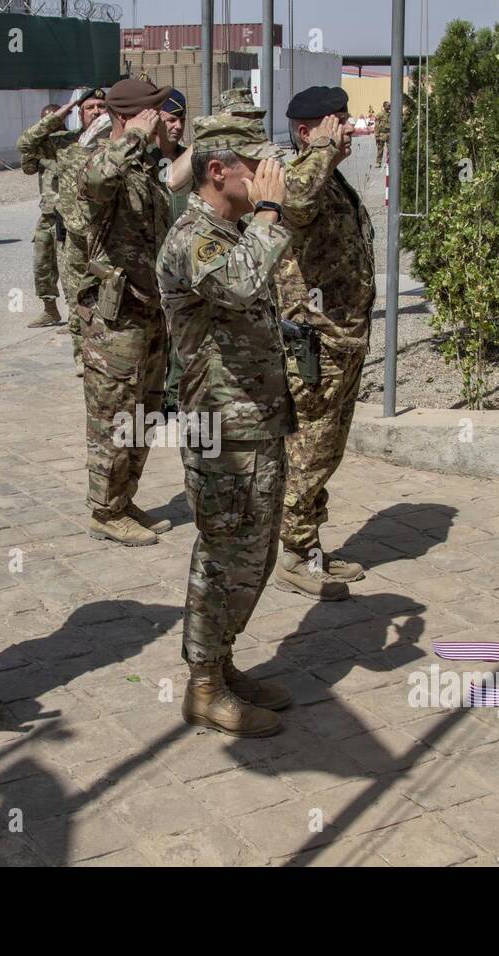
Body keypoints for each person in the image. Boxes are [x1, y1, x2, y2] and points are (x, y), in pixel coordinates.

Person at [157, 114, 296, 737]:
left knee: (257, 552)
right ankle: (203, 685)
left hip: (255, 420)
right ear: (219, 172)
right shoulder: (195, 237)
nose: (272, 177)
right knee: (223, 555)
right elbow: (239, 285)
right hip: (222, 428)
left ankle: (222, 660)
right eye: (257, 166)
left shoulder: (231, 232)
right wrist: (268, 214)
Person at [275, 85, 376, 601]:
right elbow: (294, 202)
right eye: (334, 122)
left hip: (343, 337)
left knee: (328, 448)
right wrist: (319, 150)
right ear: (305, 130)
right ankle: (293, 553)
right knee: (309, 447)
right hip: (316, 341)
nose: (345, 130)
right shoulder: (297, 175)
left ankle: (309, 542)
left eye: (344, 119)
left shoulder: (331, 178)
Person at [77, 77, 176, 547]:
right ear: (126, 117)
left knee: (145, 411)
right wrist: (134, 133)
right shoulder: (99, 159)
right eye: (153, 111)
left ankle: (122, 498)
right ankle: (103, 510)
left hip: (149, 309)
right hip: (115, 320)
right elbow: (96, 180)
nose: (163, 118)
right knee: (114, 414)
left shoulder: (143, 166)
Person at [54, 88, 110, 373]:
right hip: (73, 237)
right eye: (90, 107)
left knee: (107, 298)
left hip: (105, 237)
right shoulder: (65, 144)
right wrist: (58, 116)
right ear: (80, 112)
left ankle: (104, 352)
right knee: (77, 296)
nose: (97, 111)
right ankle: (81, 354)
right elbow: (26, 146)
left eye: (102, 106)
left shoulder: (114, 145)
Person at [17, 102, 78, 329]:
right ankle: (50, 310)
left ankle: (76, 315)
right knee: (42, 263)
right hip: (47, 213)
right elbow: (28, 167)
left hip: (67, 214)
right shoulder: (40, 144)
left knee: (69, 267)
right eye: (45, 120)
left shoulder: (71, 141)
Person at [156, 87, 189, 415]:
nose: (177, 125)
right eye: (170, 118)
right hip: (148, 262)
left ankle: (173, 396)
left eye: (181, 118)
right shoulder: (142, 160)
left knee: (180, 331)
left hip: (180, 264)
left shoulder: (189, 159)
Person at [375, 100, 390, 168]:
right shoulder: (380, 115)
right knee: (380, 149)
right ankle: (378, 163)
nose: (389, 106)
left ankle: (389, 162)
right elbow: (377, 126)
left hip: (389, 134)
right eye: (387, 105)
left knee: (390, 149)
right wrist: (376, 135)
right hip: (381, 134)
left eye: (389, 105)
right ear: (384, 106)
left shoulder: (391, 114)